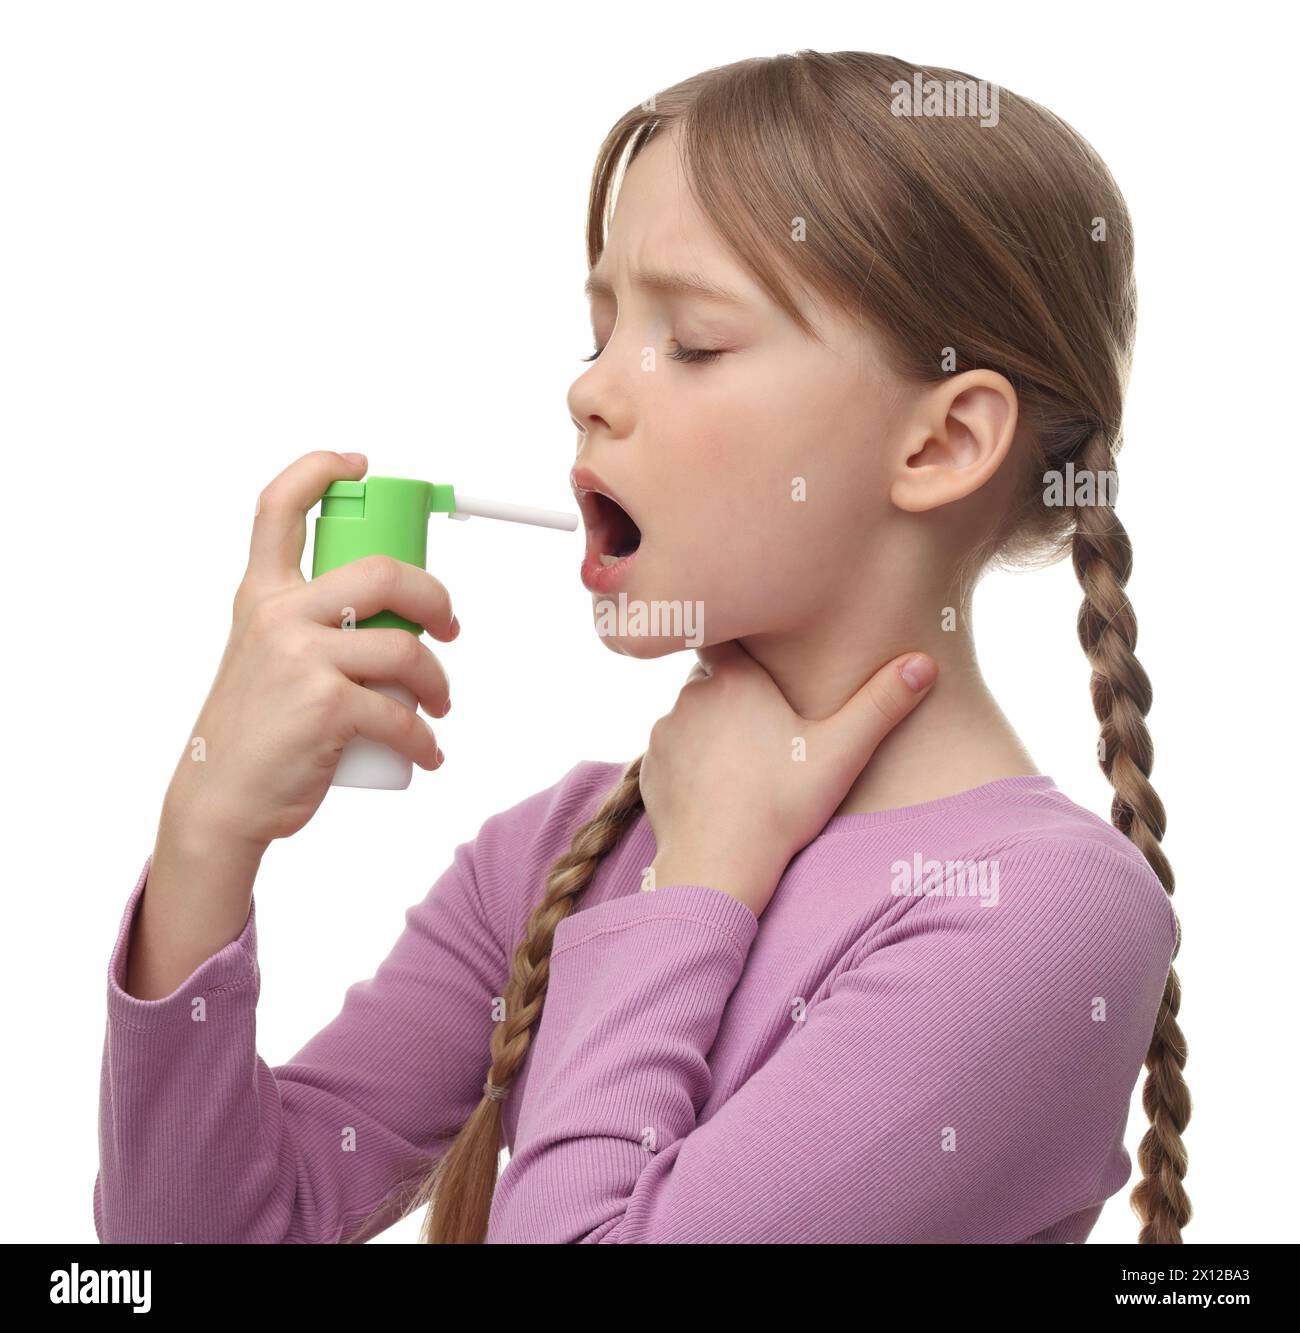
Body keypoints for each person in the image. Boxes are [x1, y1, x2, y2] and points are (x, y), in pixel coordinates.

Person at [95, 49, 1188, 1245]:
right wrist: (206, 837)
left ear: (939, 443)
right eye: (601, 330)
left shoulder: (1043, 913)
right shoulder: (559, 849)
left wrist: (702, 881)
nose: (591, 393)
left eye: (696, 342)